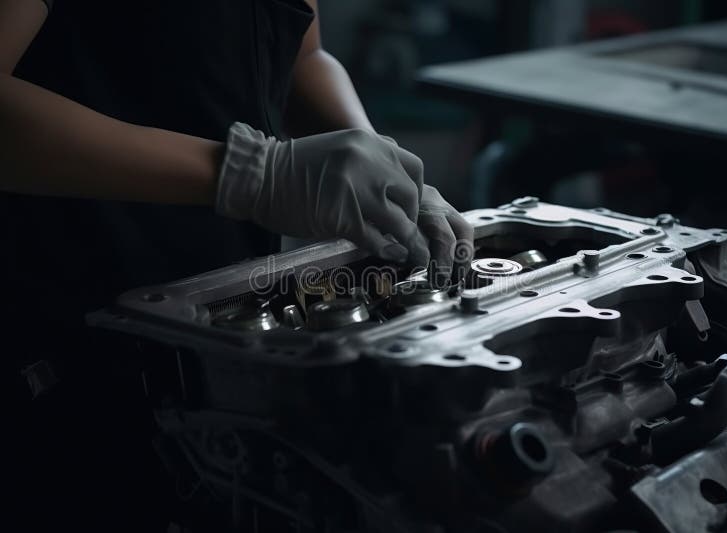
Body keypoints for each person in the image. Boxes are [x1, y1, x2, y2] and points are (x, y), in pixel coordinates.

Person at [1, 0, 473, 530]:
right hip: (69, 328)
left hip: (217, 317)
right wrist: (254, 174)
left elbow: (303, 57)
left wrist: (381, 165)